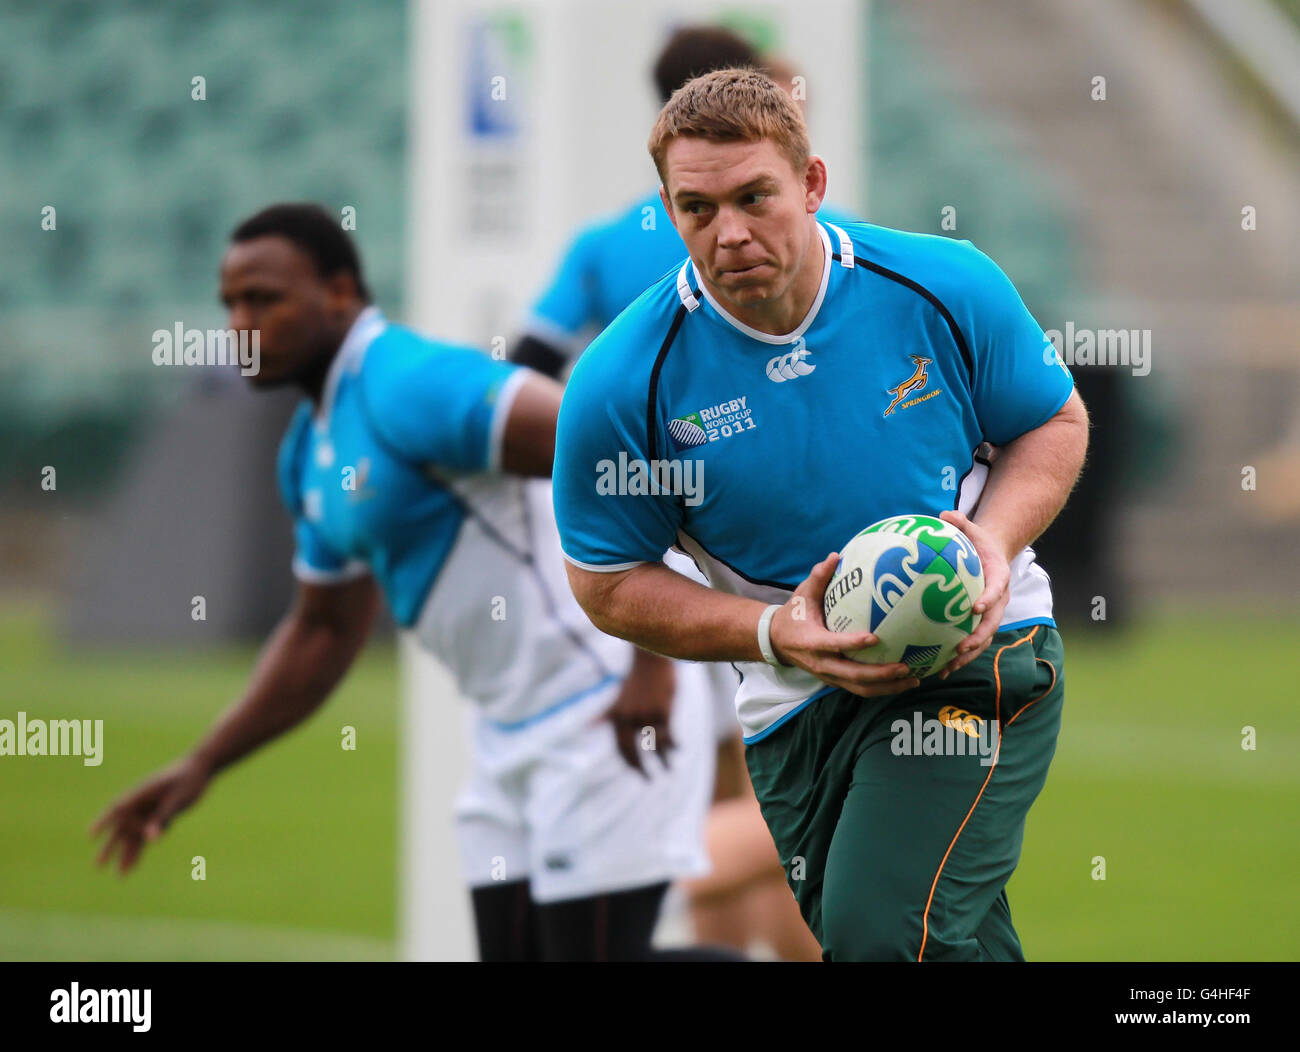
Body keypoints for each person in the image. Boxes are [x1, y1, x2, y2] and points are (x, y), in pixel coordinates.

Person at [551, 70, 1090, 961]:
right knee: (943, 944)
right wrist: (773, 631)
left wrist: (992, 543)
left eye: (755, 196)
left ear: (811, 183)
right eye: (697, 208)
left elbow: (1052, 422)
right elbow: (607, 584)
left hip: (978, 664)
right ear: (668, 210)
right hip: (792, 708)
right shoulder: (621, 383)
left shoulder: (942, 284)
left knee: (881, 936)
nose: (730, 232)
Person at [90, 203, 719, 962]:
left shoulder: (409, 383)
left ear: (341, 293)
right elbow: (321, 632)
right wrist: (202, 764)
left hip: (605, 709)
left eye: (265, 299)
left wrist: (654, 664)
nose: (241, 323)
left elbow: (614, 450)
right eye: (231, 303)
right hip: (506, 739)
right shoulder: (308, 450)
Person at [512, 25, 824, 960]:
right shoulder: (778, 226)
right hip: (752, 564)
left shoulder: (607, 243)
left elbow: (525, 366)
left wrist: (619, 465)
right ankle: (585, 875)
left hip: (668, 556)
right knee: (776, 812)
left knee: (747, 805)